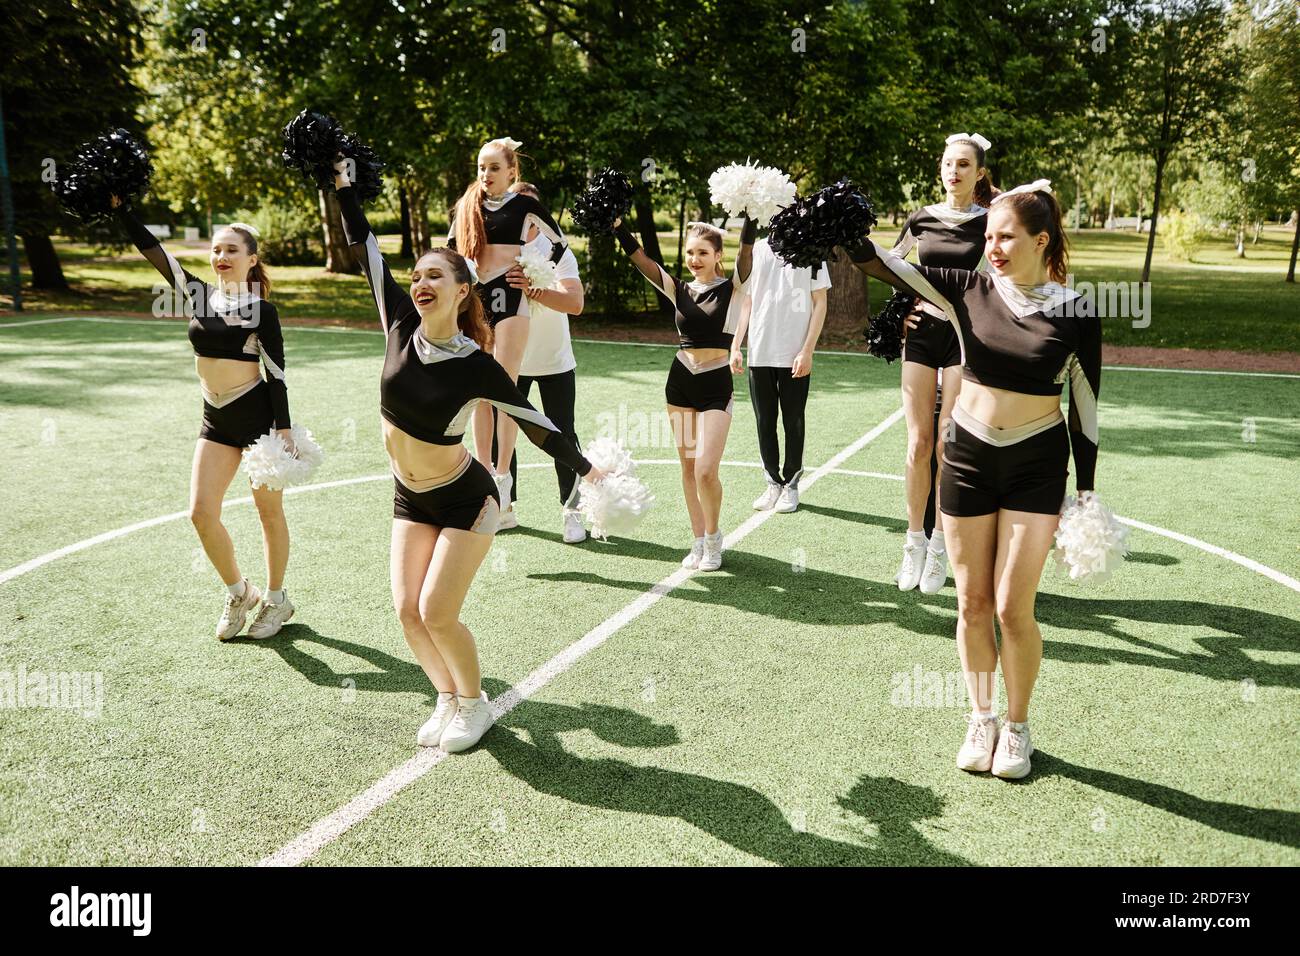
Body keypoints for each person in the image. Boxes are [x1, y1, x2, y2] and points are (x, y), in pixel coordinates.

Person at [334, 158, 604, 753]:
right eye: (417, 274)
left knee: (436, 610)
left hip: (465, 498)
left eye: (436, 276)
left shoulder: (476, 364)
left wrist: (589, 472)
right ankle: (447, 697)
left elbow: (535, 423)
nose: (421, 282)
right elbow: (365, 246)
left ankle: (476, 705)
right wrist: (343, 186)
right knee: (406, 611)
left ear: (463, 292)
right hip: (410, 498)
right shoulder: (398, 324)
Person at [846, 181, 1100, 780]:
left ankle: (1016, 726)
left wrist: (1084, 496)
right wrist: (839, 227)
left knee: (1013, 609)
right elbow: (882, 265)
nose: (994, 247)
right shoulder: (965, 289)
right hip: (966, 459)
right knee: (973, 602)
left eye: (1005, 236)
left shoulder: (1077, 311)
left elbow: (1087, 409)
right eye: (989, 237)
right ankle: (980, 715)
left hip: (1036, 464)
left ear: (1042, 240)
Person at [111, 196, 297, 641]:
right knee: (200, 512)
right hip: (214, 421)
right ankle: (239, 592)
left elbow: (276, 373)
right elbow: (156, 253)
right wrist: (121, 211)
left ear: (252, 260)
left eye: (232, 250)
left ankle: (276, 599)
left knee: (268, 514)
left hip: (258, 424)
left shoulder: (263, 312)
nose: (221, 257)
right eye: (216, 249)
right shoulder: (197, 294)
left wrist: (284, 429)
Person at [613, 216, 755, 571]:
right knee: (689, 468)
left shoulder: (733, 285)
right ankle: (697, 540)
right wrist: (618, 228)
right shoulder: (679, 288)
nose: (695, 259)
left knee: (707, 469)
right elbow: (643, 261)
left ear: (718, 255)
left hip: (715, 383)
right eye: (690, 253)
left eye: (703, 252)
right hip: (680, 382)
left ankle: (713, 537)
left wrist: (751, 213)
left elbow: (747, 253)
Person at [891, 133, 995, 594]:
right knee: (917, 443)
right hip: (922, 335)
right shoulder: (921, 218)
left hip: (961, 338)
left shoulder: (991, 222)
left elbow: (1000, 281)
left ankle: (938, 546)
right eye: (948, 164)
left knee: (946, 446)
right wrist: (901, 310)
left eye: (964, 165)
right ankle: (912, 542)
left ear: (979, 173)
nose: (954, 171)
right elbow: (890, 266)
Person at [448, 138, 569, 511]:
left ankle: (504, 475)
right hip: (477, 301)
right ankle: (485, 472)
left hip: (511, 297)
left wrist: (531, 271)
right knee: (480, 391)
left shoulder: (525, 206)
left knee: (506, 388)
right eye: (481, 168)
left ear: (512, 172)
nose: (486, 174)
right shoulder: (468, 206)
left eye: (494, 168)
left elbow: (559, 244)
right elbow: (450, 250)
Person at [494, 182, 588, 544]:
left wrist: (534, 289)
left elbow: (575, 303)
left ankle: (572, 511)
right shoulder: (495, 249)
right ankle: (504, 508)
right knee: (502, 434)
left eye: (527, 209)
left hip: (553, 360)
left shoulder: (556, 249)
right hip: (508, 358)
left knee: (563, 434)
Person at [729, 237, 830, 514]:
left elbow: (819, 301)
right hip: (760, 352)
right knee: (764, 421)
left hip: (794, 352)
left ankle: (792, 483)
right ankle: (772, 482)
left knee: (793, 419)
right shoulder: (757, 250)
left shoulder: (812, 249)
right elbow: (747, 301)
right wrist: (736, 345)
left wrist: (807, 350)